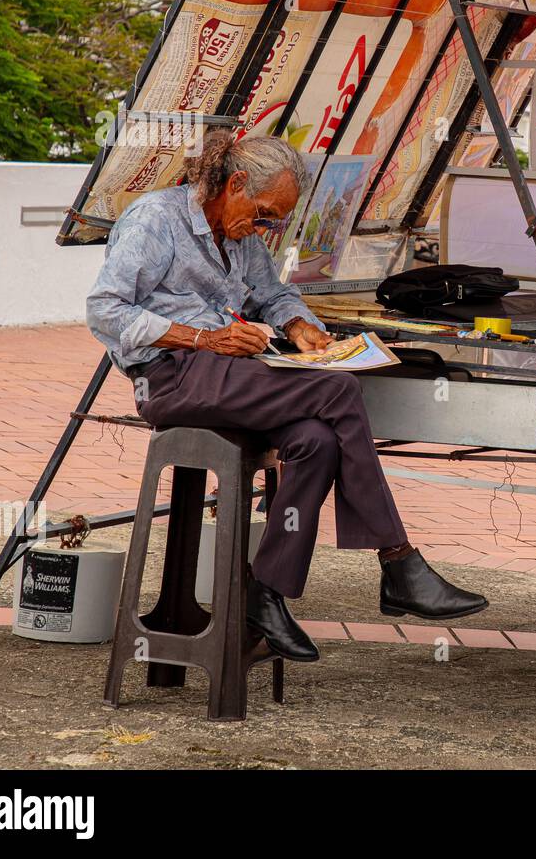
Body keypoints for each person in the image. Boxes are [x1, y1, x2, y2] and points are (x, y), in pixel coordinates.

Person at [86, 134, 487, 664]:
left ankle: (266, 592)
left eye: (274, 220)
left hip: (228, 373)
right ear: (232, 185)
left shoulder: (241, 232)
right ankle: (398, 560)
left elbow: (272, 294)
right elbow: (104, 311)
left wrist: (300, 327)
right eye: (264, 214)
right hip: (172, 376)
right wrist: (204, 338)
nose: (266, 228)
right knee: (338, 390)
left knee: (316, 440)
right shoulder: (154, 220)